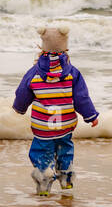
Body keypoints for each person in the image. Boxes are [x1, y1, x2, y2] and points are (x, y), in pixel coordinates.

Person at [12, 26, 99, 196]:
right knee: (64, 149)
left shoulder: (34, 72)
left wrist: (19, 108)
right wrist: (91, 116)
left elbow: (22, 92)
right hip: (65, 125)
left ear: (42, 47)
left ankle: (44, 182)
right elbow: (82, 98)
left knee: (42, 152)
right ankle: (66, 179)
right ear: (65, 48)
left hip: (43, 126)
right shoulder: (72, 73)